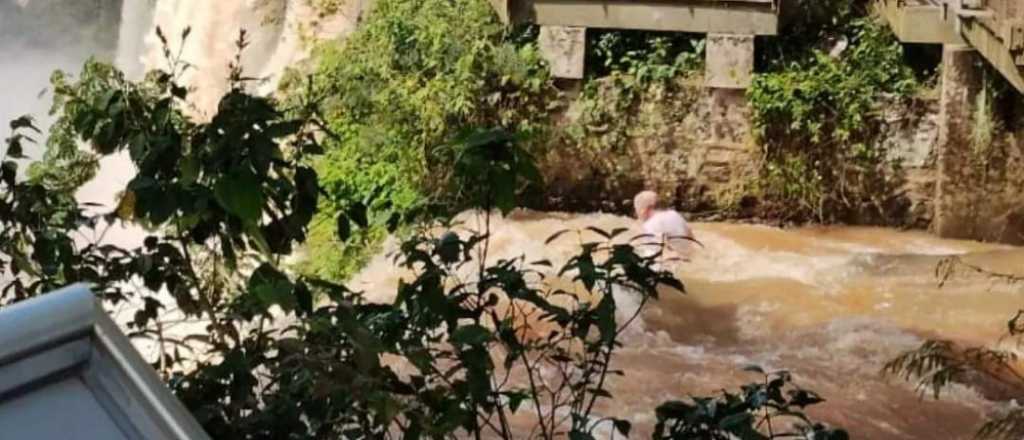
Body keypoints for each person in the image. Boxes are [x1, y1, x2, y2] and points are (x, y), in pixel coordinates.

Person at [633, 191, 700, 260]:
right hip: (688, 257)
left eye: (637, 209)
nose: (637, 214)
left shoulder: (651, 224)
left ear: (645, 209)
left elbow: (654, 256)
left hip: (674, 264)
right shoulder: (674, 214)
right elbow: (691, 238)